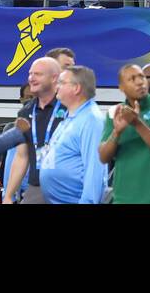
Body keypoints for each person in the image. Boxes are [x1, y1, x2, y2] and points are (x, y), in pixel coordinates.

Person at [98, 63, 150, 204]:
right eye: (132, 79)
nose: (139, 82)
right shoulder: (114, 113)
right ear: (121, 87)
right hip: (122, 199)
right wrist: (117, 132)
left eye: (142, 76)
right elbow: (104, 157)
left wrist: (137, 123)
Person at [41, 65, 108, 205]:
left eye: (61, 82)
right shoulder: (71, 115)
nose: (56, 86)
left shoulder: (91, 120)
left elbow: (94, 169)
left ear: (76, 88)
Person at [2, 57, 65, 204]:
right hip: (36, 188)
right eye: (30, 74)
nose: (31, 78)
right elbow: (21, 157)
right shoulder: (25, 112)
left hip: (67, 188)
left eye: (38, 74)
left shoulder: (68, 107)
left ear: (54, 78)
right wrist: (8, 195)